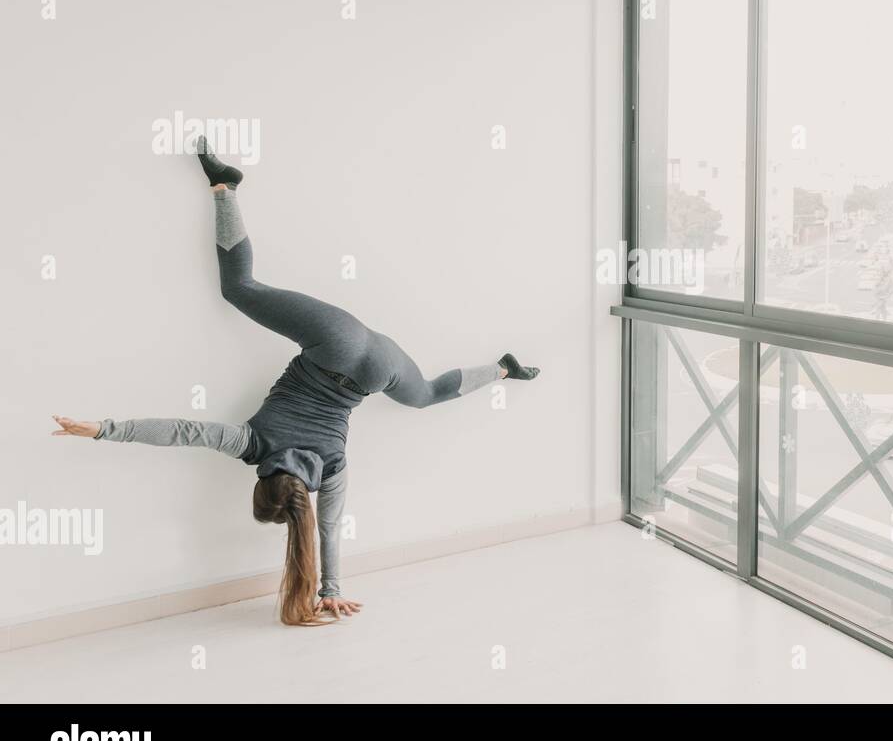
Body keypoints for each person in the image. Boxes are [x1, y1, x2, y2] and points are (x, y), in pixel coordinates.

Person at [52, 138, 539, 625]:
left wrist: (331, 589)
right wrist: (101, 428)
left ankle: (501, 368)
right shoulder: (252, 445)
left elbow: (327, 530)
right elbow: (184, 431)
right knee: (240, 288)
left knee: (427, 393)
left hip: (375, 370)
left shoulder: (329, 472)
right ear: (261, 480)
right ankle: (225, 187)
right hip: (336, 340)